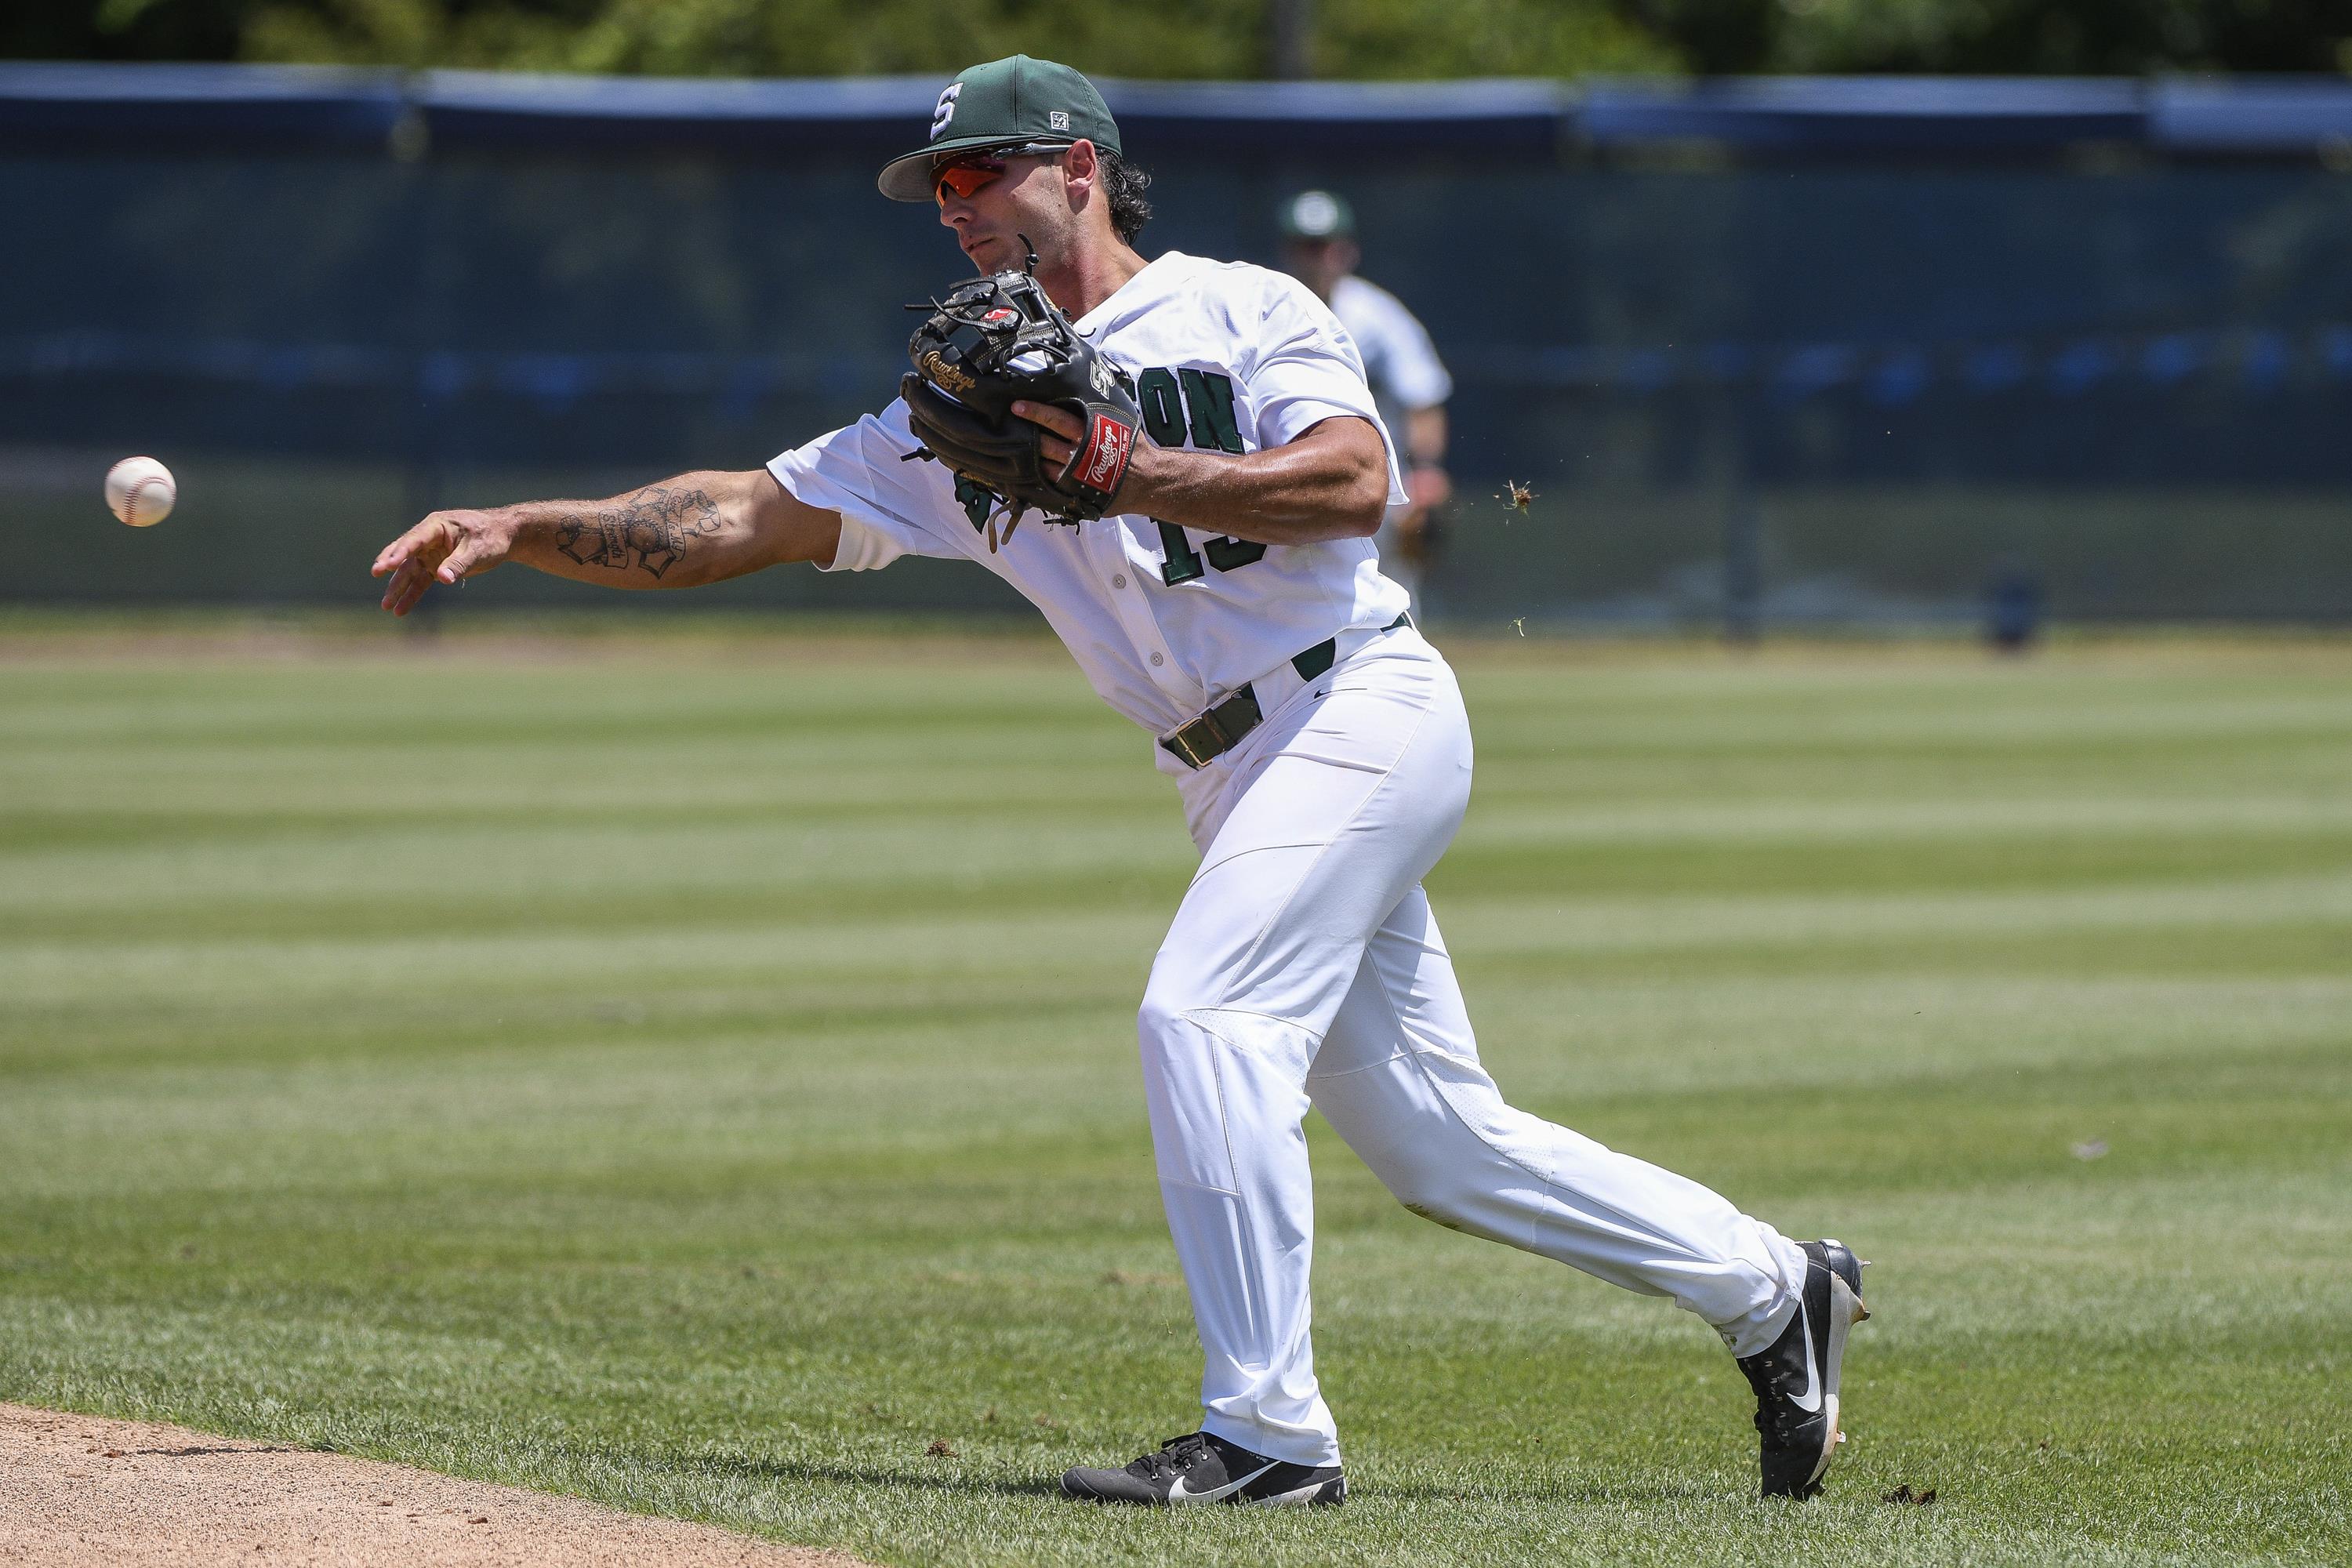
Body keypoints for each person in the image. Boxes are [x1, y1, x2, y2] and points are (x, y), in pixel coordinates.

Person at [371, 55, 1868, 1509]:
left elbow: (1355, 486)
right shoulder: (960, 409)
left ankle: (1270, 1438)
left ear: (1079, 167)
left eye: (979, 173)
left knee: (1204, 1017)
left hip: (1359, 707)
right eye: (935, 186)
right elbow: (743, 514)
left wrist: (1128, 469)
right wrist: (524, 522)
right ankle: (1773, 1288)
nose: (952, 206)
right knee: (1437, 1141)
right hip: (1228, 770)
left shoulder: (1242, 306)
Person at [1279, 189, 1453, 615]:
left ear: (1347, 250)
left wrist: (1426, 473)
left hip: (1375, 484)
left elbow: (1422, 397)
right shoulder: (1264, 312)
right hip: (1287, 479)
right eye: (1306, 246)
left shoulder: (1377, 316)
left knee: (1391, 602)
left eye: (1325, 246)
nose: (1316, 258)